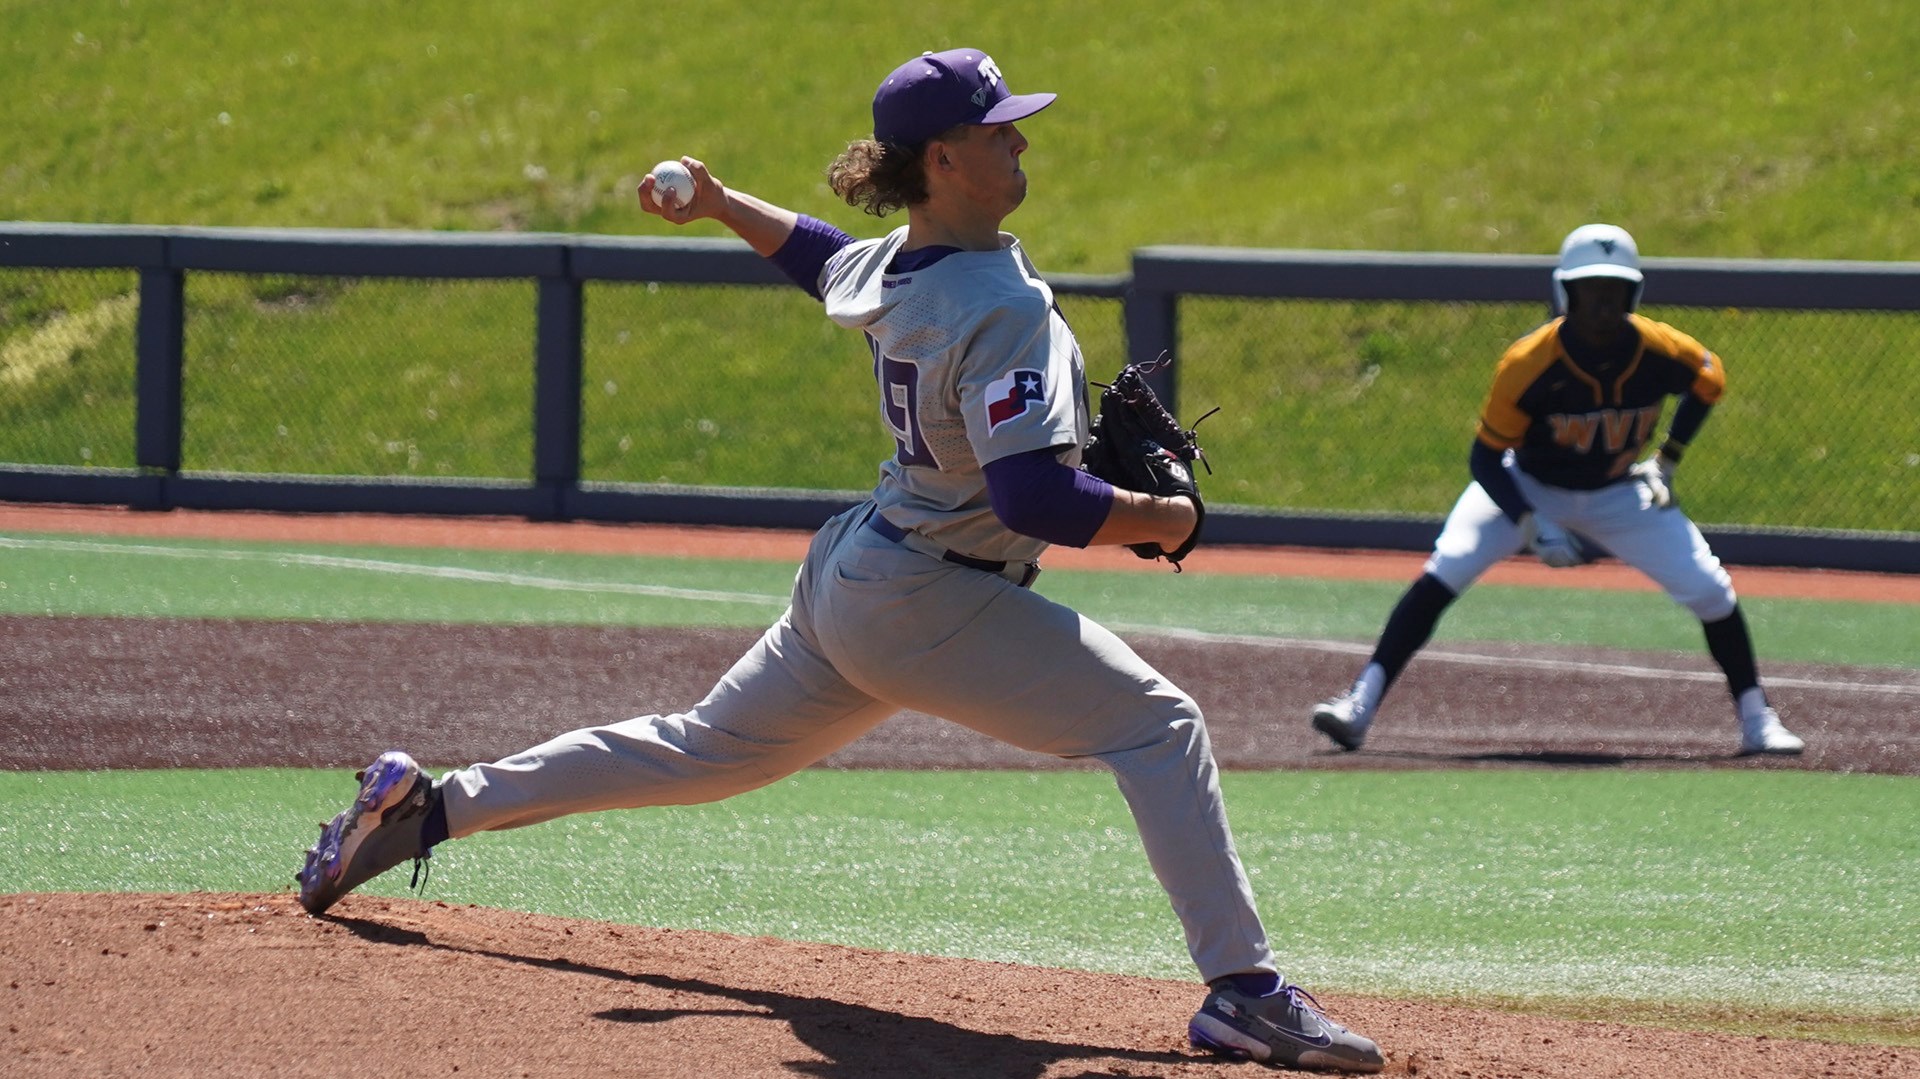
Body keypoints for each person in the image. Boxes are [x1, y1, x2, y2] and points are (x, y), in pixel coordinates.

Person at [295, 47, 1383, 1073]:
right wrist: (1169, 520)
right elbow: (1038, 498)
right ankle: (1242, 986)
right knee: (1161, 723)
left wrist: (723, 206)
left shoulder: (912, 265)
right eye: (997, 133)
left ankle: (428, 808)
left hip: (863, 570)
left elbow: (819, 258)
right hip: (930, 596)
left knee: (706, 749)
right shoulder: (1003, 305)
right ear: (941, 162)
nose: (1021, 147)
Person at [1310, 223, 1806, 760]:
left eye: (1614, 290)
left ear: (1633, 294)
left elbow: (1710, 380)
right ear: (1565, 292)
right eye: (1590, 288)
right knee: (1447, 565)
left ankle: (1758, 720)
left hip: (1619, 492)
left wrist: (1667, 460)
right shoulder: (1528, 363)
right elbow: (1484, 458)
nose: (1602, 303)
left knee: (1711, 591)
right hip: (1528, 484)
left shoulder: (1660, 348)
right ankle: (1359, 706)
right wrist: (1529, 520)